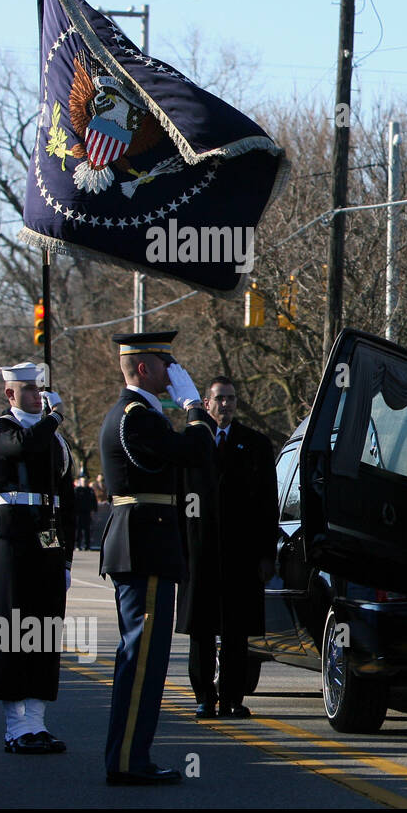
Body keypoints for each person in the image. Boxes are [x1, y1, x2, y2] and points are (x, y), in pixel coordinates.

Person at [98, 331, 214, 784]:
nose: (175, 372)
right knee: (142, 661)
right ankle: (128, 760)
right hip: (145, 545)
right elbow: (197, 452)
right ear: (145, 368)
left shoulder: (139, 414)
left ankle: (129, 756)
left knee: (140, 660)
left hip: (144, 543)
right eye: (168, 365)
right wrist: (193, 407)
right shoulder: (137, 416)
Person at [176, 376, 277, 719]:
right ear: (206, 404)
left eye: (232, 398)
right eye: (219, 399)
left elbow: (268, 504)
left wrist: (267, 555)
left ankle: (233, 697)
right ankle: (204, 695)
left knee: (236, 631)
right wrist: (180, 552)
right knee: (201, 629)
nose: (226, 405)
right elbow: (180, 501)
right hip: (200, 550)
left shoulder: (256, 445)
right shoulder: (190, 443)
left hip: (242, 553)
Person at [0, 362, 74, 754]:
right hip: (11, 542)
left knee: (44, 631)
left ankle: (37, 723)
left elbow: (66, 500)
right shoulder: (2, 428)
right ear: (11, 393)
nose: (37, 395)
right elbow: (23, 446)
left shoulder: (54, 437)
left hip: (46, 539)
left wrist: (67, 559)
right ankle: (15, 727)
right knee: (13, 632)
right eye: (29, 389)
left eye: (40, 387)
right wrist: (55, 416)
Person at [73, 477, 97, 550]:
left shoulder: (90, 490)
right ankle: (78, 545)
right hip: (78, 513)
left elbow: (94, 501)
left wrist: (94, 510)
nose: (84, 482)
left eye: (86, 481)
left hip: (87, 513)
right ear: (80, 482)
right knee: (78, 530)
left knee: (87, 530)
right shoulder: (77, 490)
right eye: (83, 481)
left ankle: (87, 545)